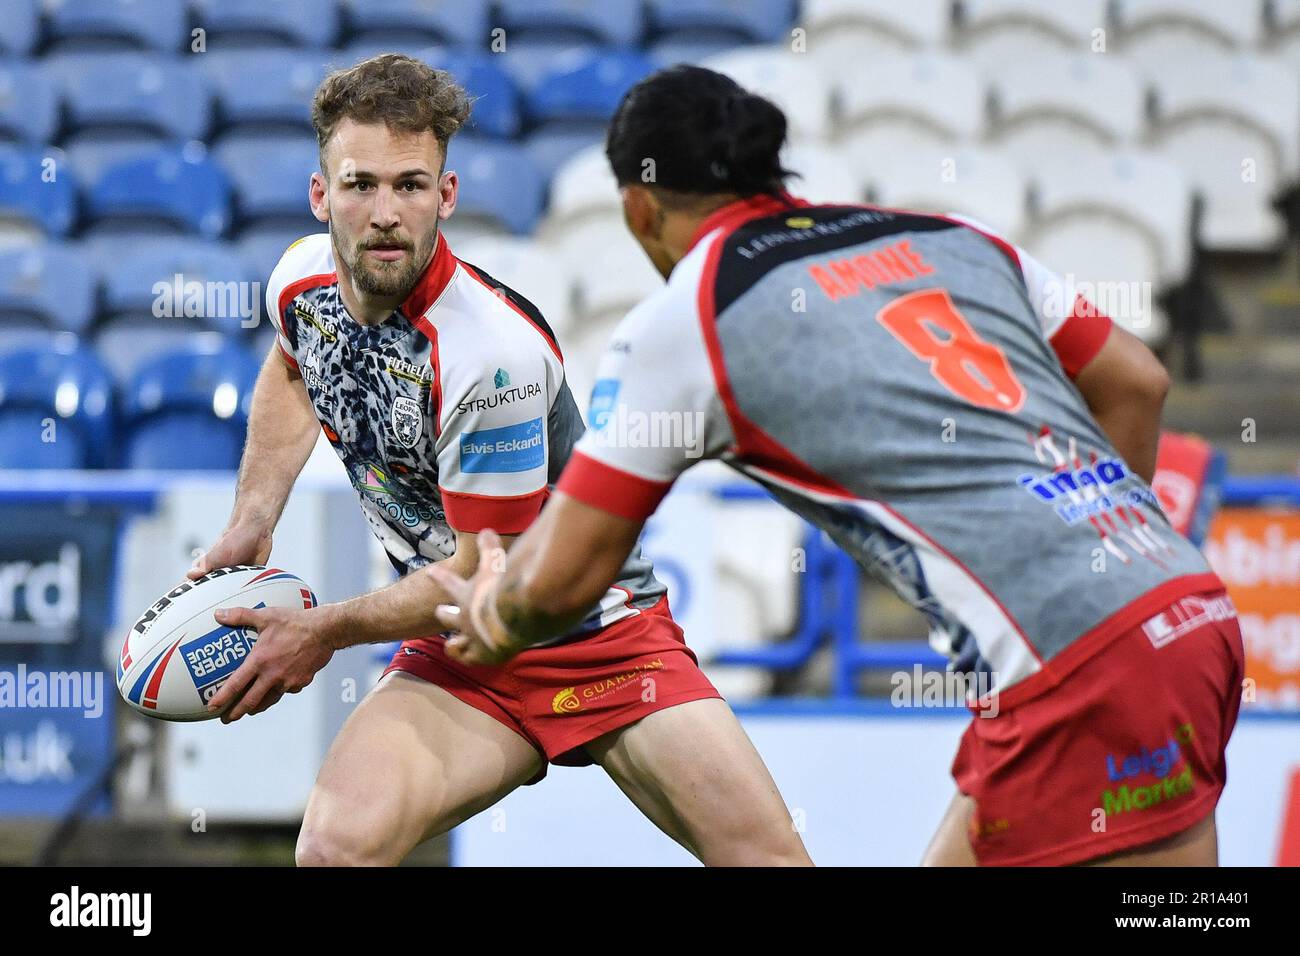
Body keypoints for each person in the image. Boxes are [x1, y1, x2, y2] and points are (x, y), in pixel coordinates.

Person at [430, 65, 1246, 867]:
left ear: (638, 207)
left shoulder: (692, 317)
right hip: (1181, 604)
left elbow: (570, 576)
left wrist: (495, 617)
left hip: (1074, 665)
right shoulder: (952, 238)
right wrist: (1107, 562)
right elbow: (1139, 380)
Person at [190, 55, 810, 867]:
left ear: (445, 197)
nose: (384, 212)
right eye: (360, 184)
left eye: (410, 185)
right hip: (462, 651)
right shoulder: (299, 282)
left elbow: (486, 568)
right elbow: (292, 367)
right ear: (321, 196)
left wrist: (321, 631)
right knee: (334, 851)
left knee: (772, 863)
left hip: (595, 638)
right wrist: (250, 521)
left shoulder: (492, 355)